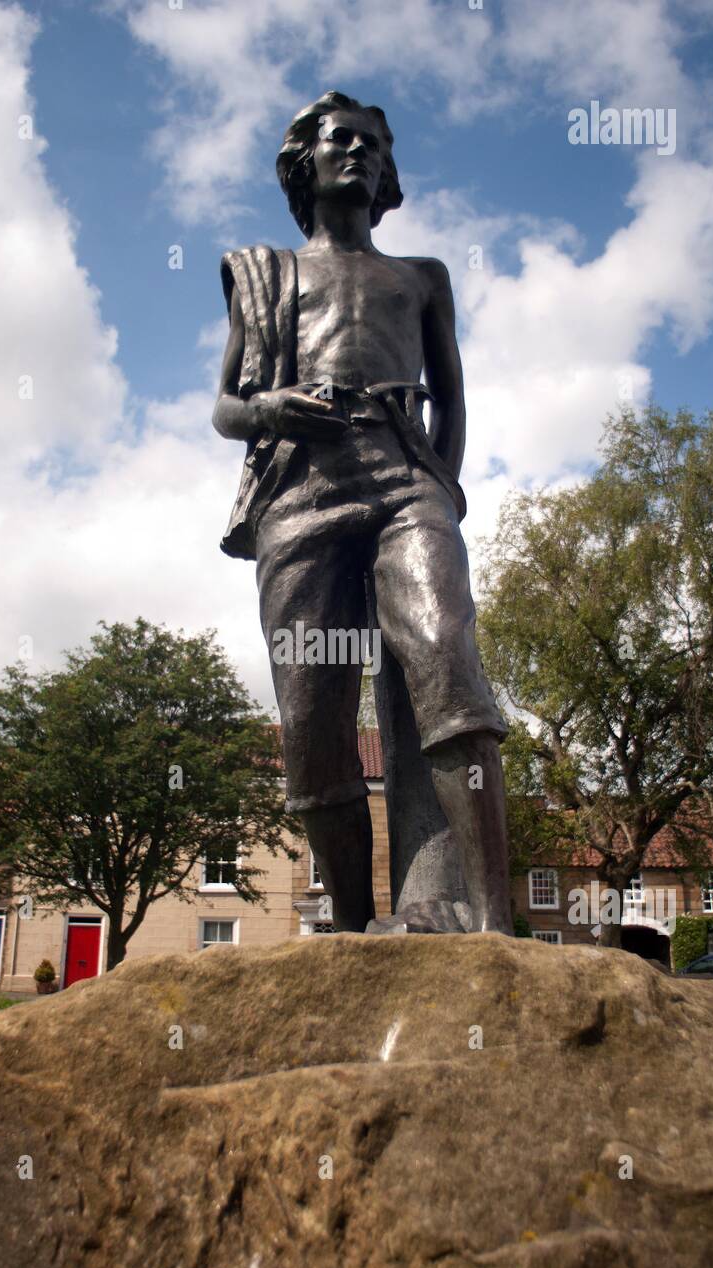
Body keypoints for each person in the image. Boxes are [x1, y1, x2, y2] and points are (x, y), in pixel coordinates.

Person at [213, 92, 512, 935]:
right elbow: (225, 409)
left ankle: (491, 925)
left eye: (375, 144)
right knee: (312, 728)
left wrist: (439, 490)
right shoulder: (264, 272)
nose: (361, 153)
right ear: (303, 162)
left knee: (446, 660)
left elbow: (452, 398)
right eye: (342, 140)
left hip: (403, 478)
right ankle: (349, 930)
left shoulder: (421, 278)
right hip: (300, 496)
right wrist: (272, 409)